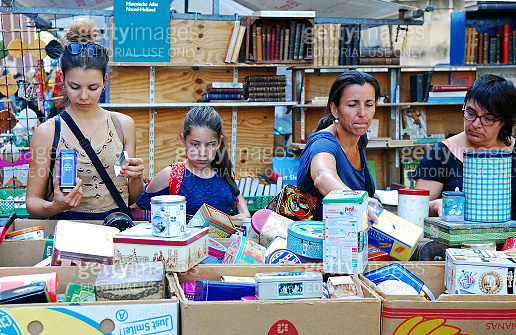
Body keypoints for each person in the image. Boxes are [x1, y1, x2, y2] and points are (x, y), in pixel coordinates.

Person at [26, 18, 145, 219]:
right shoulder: (47, 132)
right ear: (63, 79)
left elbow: (131, 196)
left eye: (93, 88)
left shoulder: (123, 125)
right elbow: (32, 202)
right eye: (74, 87)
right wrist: (54, 206)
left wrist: (136, 177)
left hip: (114, 232)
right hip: (68, 235)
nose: (83, 96)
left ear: (105, 81)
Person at [412, 74, 516, 218]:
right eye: (470, 113)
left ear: (504, 120)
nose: (475, 124)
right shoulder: (440, 154)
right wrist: (436, 205)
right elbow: (415, 209)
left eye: (488, 118)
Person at [132, 106, 250, 221]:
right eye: (195, 144)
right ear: (183, 140)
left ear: (219, 142)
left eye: (210, 144)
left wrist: (241, 217)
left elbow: (244, 212)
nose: (202, 153)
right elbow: (136, 212)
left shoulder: (223, 173)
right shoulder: (170, 176)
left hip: (222, 241)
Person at [297, 70, 381, 221]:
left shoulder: (360, 140)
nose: (362, 113)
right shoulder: (323, 143)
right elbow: (323, 176)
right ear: (335, 109)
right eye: (352, 105)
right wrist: (358, 201)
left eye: (369, 104)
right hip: (319, 239)